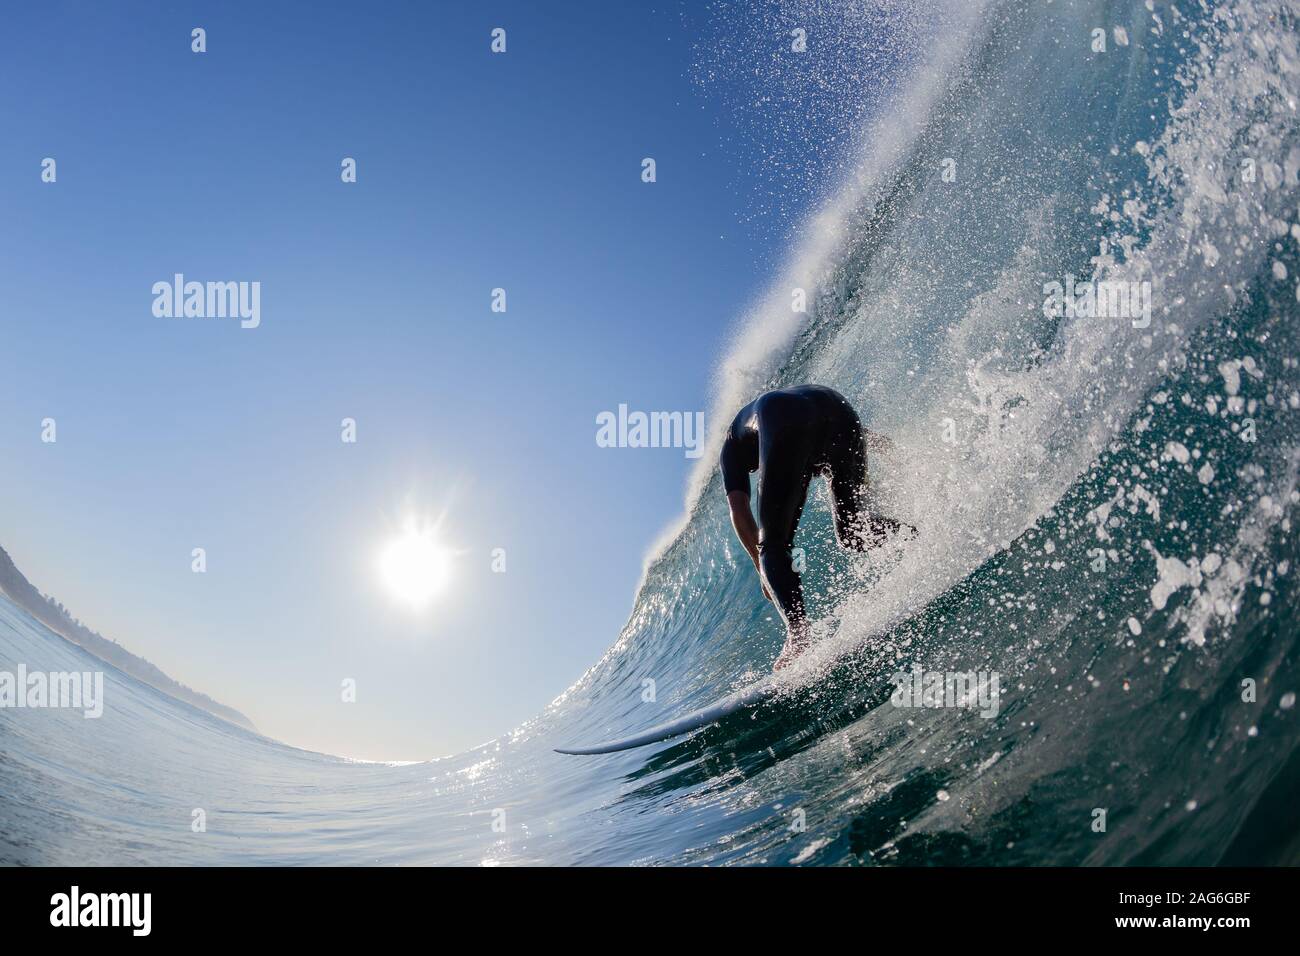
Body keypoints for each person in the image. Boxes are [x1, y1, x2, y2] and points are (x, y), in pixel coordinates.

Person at [719, 384, 913, 669]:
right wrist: (878, 443)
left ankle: (798, 635)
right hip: (840, 410)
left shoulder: (731, 446)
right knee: (852, 532)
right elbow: (821, 420)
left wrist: (762, 567)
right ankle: (918, 534)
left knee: (772, 545)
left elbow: (738, 507)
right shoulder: (765, 422)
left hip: (784, 420)